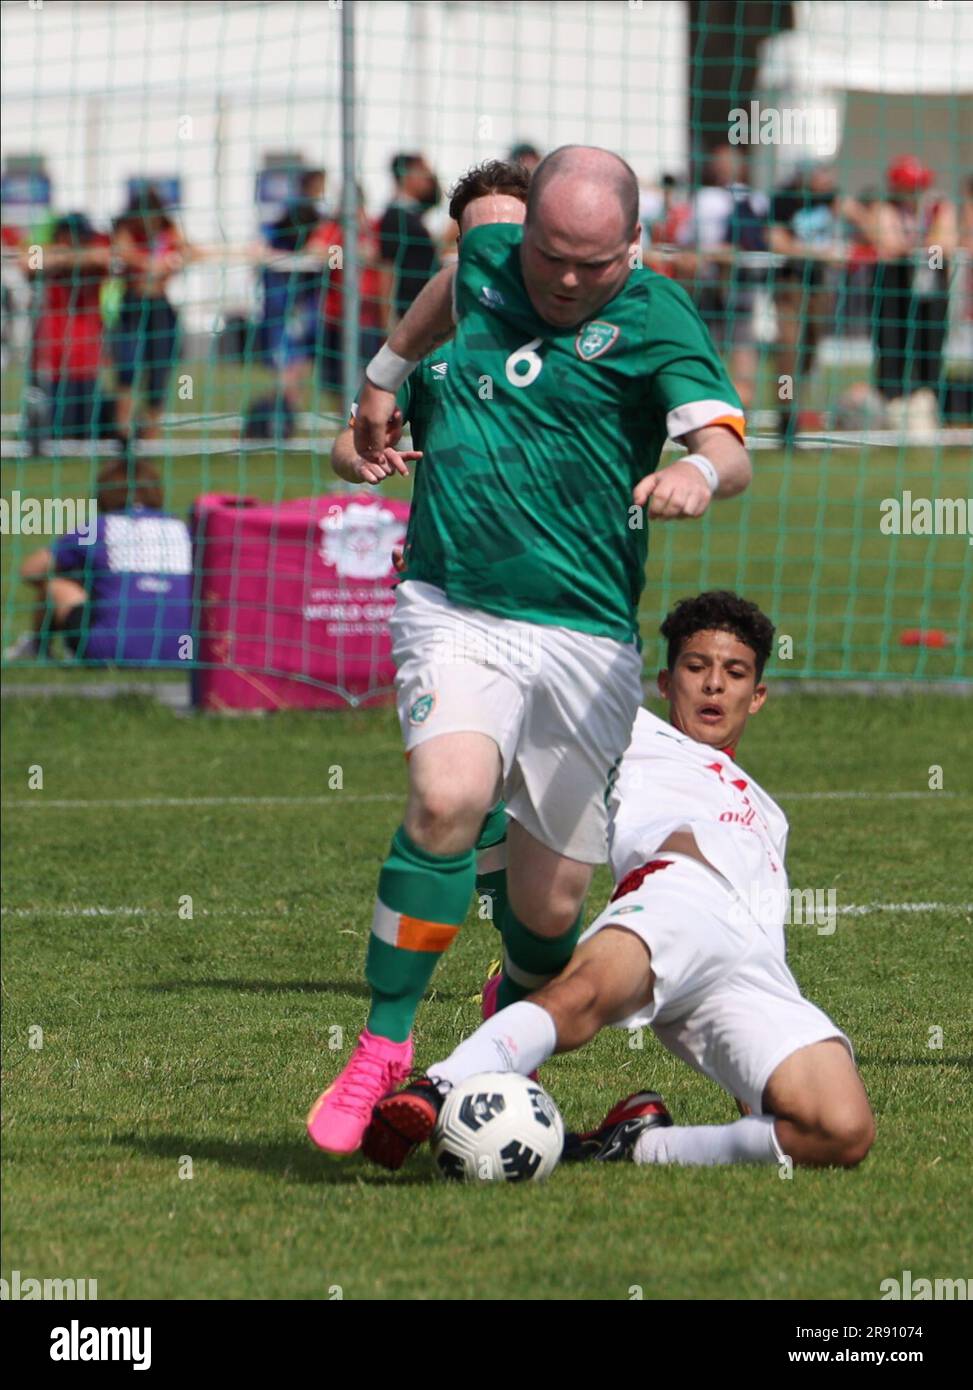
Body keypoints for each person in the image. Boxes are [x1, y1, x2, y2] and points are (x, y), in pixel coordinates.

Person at [307, 144, 751, 1156]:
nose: (558, 278)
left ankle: (508, 1003)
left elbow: (730, 447)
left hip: (586, 635)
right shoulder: (495, 255)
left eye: (589, 265)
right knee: (448, 798)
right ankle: (383, 1043)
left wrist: (699, 474)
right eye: (547, 253)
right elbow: (453, 281)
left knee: (548, 918)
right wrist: (381, 380)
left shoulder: (656, 317)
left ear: (632, 248)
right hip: (453, 602)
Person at [364, 591, 875, 1174]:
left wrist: (760, 1077)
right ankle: (437, 1088)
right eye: (695, 667)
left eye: (734, 673)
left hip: (755, 962)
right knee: (581, 1000)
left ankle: (639, 1144)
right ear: (664, 681)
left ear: (756, 696)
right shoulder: (626, 734)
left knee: (840, 1128)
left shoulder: (770, 811)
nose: (714, 686)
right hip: (675, 899)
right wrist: (447, 590)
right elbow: (527, 673)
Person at [6, 459, 192, 664]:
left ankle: (37, 648)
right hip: (186, 651)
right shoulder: (183, 530)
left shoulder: (98, 528)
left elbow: (31, 570)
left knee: (56, 586)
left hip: (110, 650)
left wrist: (83, 579)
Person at [864, 156, 958, 430]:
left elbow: (945, 244)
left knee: (930, 346)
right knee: (891, 346)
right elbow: (886, 243)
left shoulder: (939, 207)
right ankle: (890, 410)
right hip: (893, 287)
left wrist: (915, 245)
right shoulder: (885, 208)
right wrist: (923, 245)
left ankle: (928, 409)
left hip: (931, 287)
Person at [677, 145, 769, 409]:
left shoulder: (710, 199)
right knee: (723, 351)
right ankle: (726, 411)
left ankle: (730, 412)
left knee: (732, 353)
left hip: (728, 285)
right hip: (725, 285)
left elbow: (686, 240)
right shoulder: (753, 198)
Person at [110, 186, 197, 444]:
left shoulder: (168, 230)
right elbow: (122, 253)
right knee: (127, 369)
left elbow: (188, 251)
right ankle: (122, 431)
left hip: (160, 308)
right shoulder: (125, 231)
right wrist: (151, 264)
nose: (149, 223)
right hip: (133, 306)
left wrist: (175, 259)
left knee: (159, 373)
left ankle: (150, 433)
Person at [19, 212, 111, 443]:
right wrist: (60, 257)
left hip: (86, 358)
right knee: (56, 430)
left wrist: (67, 258)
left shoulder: (94, 253)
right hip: (51, 358)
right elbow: (27, 262)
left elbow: (105, 258)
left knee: (85, 429)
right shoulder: (46, 252)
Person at [767, 162, 843, 438]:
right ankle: (786, 416)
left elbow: (856, 220)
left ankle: (799, 405)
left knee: (811, 346)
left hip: (819, 283)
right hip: (792, 283)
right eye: (824, 172)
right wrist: (814, 252)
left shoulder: (832, 199)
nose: (829, 178)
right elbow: (776, 241)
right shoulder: (785, 199)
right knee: (790, 348)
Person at [311, 184, 392, 394]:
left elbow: (386, 258)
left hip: (369, 319)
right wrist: (345, 252)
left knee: (373, 381)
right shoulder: (334, 230)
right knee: (337, 385)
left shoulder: (375, 228)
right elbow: (320, 252)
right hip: (336, 319)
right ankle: (347, 421)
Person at [377, 153, 441, 323]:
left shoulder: (415, 215)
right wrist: (386, 321)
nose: (429, 177)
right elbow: (387, 269)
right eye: (422, 171)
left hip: (423, 308)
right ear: (406, 176)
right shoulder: (395, 217)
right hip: (407, 312)